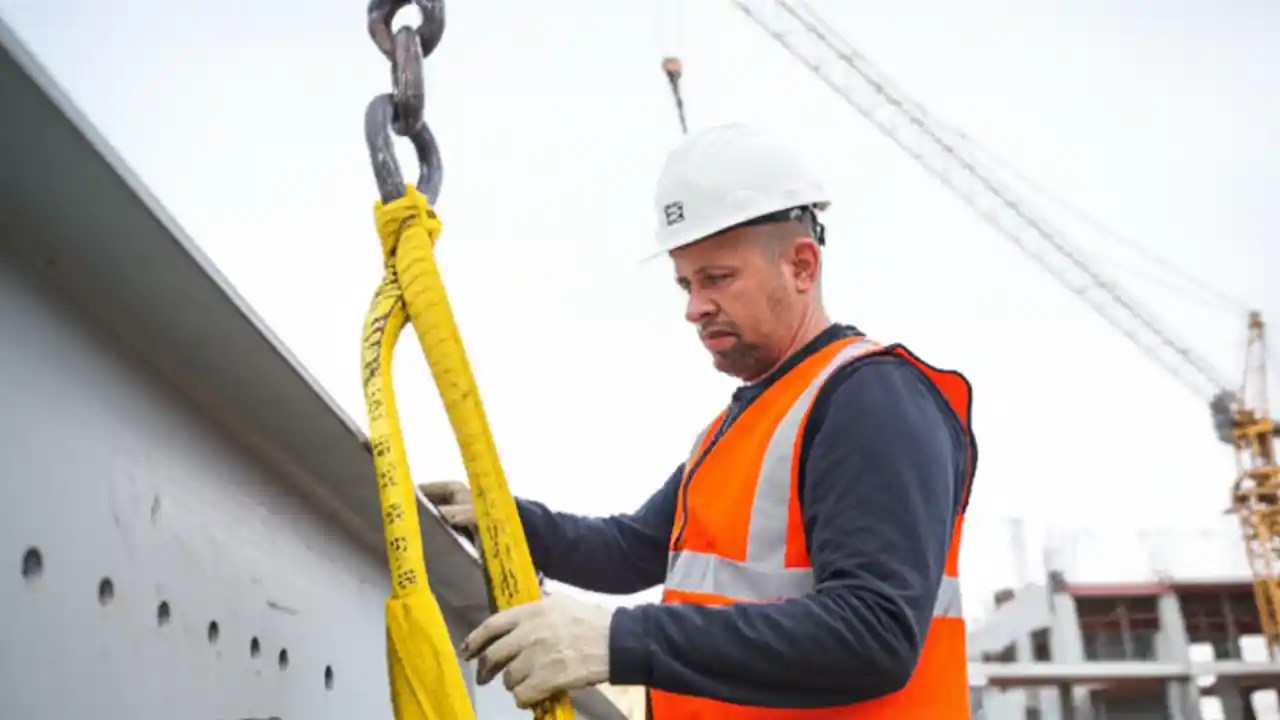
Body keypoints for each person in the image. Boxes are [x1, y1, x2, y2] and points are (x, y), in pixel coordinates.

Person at [421, 123, 978, 718]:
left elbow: (874, 634)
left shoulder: (873, 401)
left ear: (801, 266)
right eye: (686, 283)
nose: (693, 308)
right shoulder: (746, 425)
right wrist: (504, 522)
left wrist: (618, 642)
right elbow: (631, 550)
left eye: (718, 278)